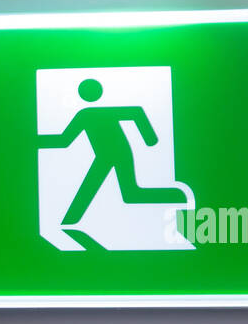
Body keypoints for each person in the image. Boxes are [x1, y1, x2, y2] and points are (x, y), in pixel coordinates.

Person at [40, 78, 187, 226]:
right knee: (131, 194)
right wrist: (33, 140)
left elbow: (135, 112)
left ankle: (178, 197)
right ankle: (69, 221)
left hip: (119, 154)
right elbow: (64, 140)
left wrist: (150, 138)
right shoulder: (85, 115)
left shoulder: (87, 114)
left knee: (129, 194)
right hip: (107, 156)